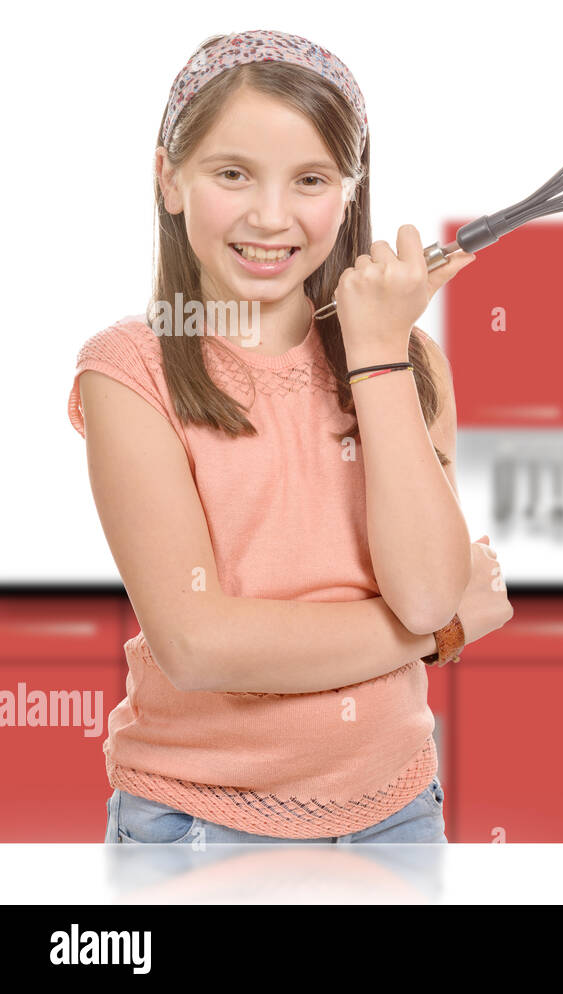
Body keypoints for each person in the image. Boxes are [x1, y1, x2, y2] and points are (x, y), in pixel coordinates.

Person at [67, 29, 513, 844]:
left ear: (349, 192)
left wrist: (377, 353)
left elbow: (422, 586)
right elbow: (201, 645)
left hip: (399, 814)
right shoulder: (129, 370)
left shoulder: (409, 363)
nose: (270, 217)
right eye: (232, 173)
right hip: (196, 820)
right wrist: (435, 636)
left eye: (309, 179)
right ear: (169, 178)